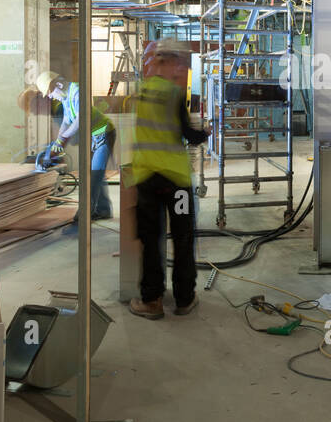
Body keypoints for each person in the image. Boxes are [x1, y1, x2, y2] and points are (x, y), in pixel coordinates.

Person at [128, 40, 210, 320]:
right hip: (177, 183)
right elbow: (190, 135)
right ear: (170, 63)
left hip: (147, 179)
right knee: (183, 238)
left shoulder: (139, 94)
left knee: (152, 241)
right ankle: (185, 298)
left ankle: (151, 301)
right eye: (178, 63)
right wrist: (207, 132)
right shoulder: (175, 94)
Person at [36, 70, 115, 220]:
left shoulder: (78, 92)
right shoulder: (66, 98)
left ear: (58, 84)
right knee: (95, 173)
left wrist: (63, 138)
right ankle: (103, 209)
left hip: (105, 133)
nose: (51, 97)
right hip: (93, 137)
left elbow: (80, 119)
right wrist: (57, 145)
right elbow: (66, 122)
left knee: (94, 174)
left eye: (50, 92)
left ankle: (85, 213)